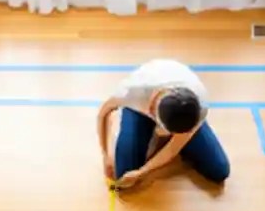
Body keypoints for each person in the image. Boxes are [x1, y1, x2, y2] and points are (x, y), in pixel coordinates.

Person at [96, 59, 231, 189]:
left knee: (219, 170)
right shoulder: (132, 92)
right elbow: (103, 113)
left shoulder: (200, 104)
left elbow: (173, 148)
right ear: (153, 112)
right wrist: (106, 154)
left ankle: (183, 137)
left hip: (183, 114)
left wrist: (143, 171)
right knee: (123, 171)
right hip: (139, 108)